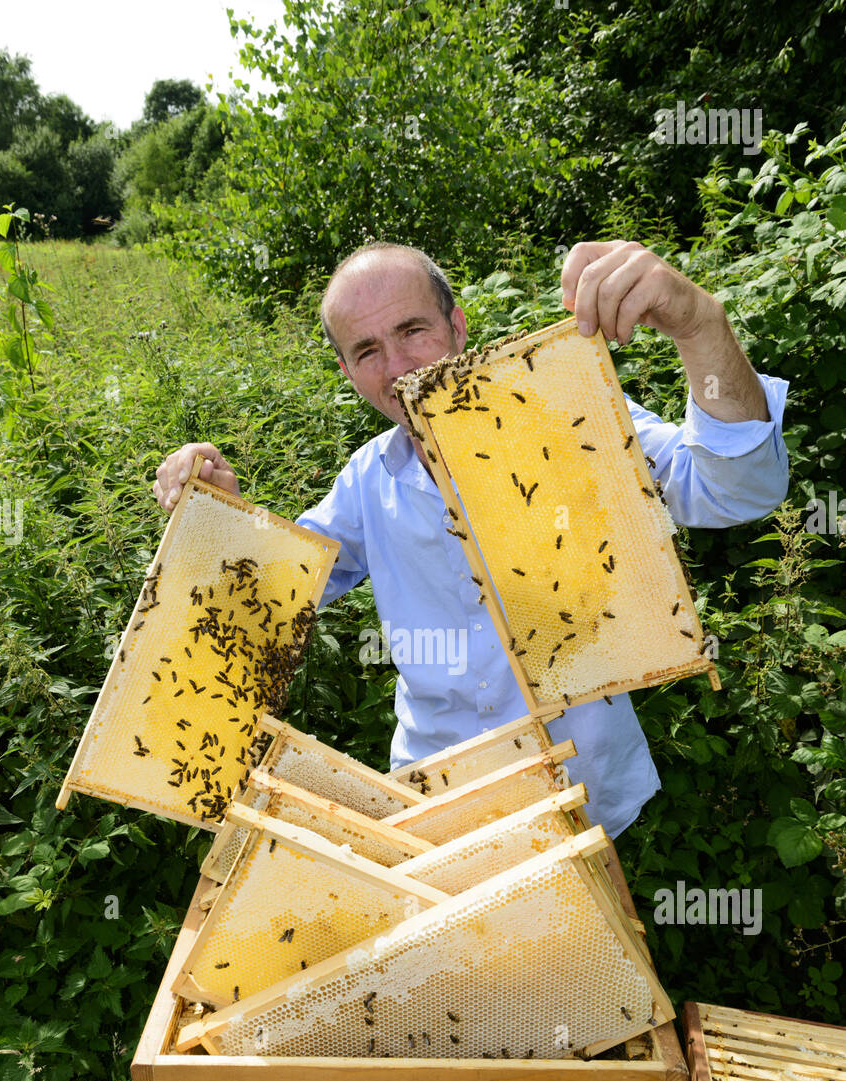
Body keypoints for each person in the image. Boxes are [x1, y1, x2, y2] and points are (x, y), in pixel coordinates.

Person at [155, 240, 789, 856]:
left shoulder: (564, 417)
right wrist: (221, 517)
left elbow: (734, 489)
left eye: (411, 330)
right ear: (346, 372)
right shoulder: (367, 481)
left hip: (580, 784)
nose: (398, 366)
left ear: (457, 325)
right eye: (367, 349)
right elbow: (270, 597)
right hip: (439, 798)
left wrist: (698, 323)